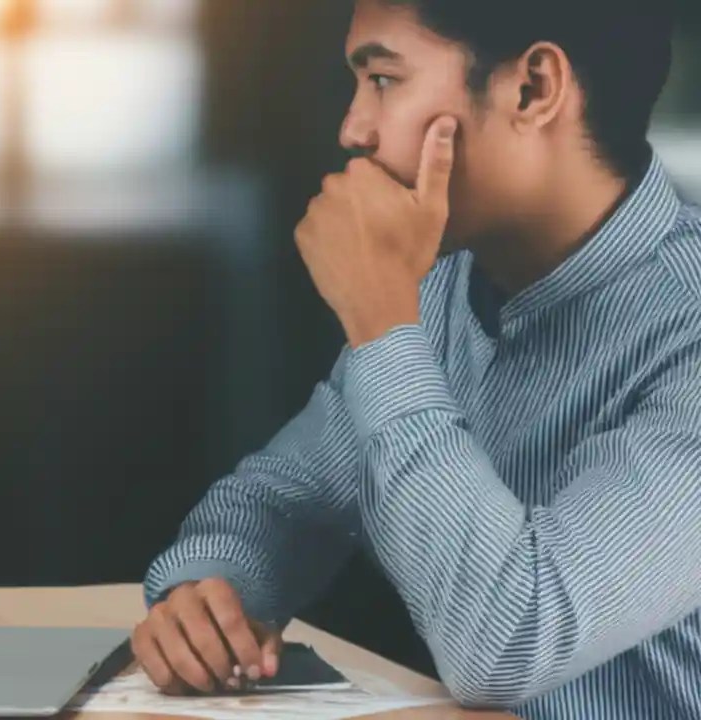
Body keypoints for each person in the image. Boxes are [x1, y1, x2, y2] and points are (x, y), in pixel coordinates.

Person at [134, 0, 700, 717]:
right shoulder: (436, 294)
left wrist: (380, 322)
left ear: (532, 89)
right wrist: (211, 595)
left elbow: (506, 643)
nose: (352, 128)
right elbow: (277, 502)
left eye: (382, 79)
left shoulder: (687, 331)